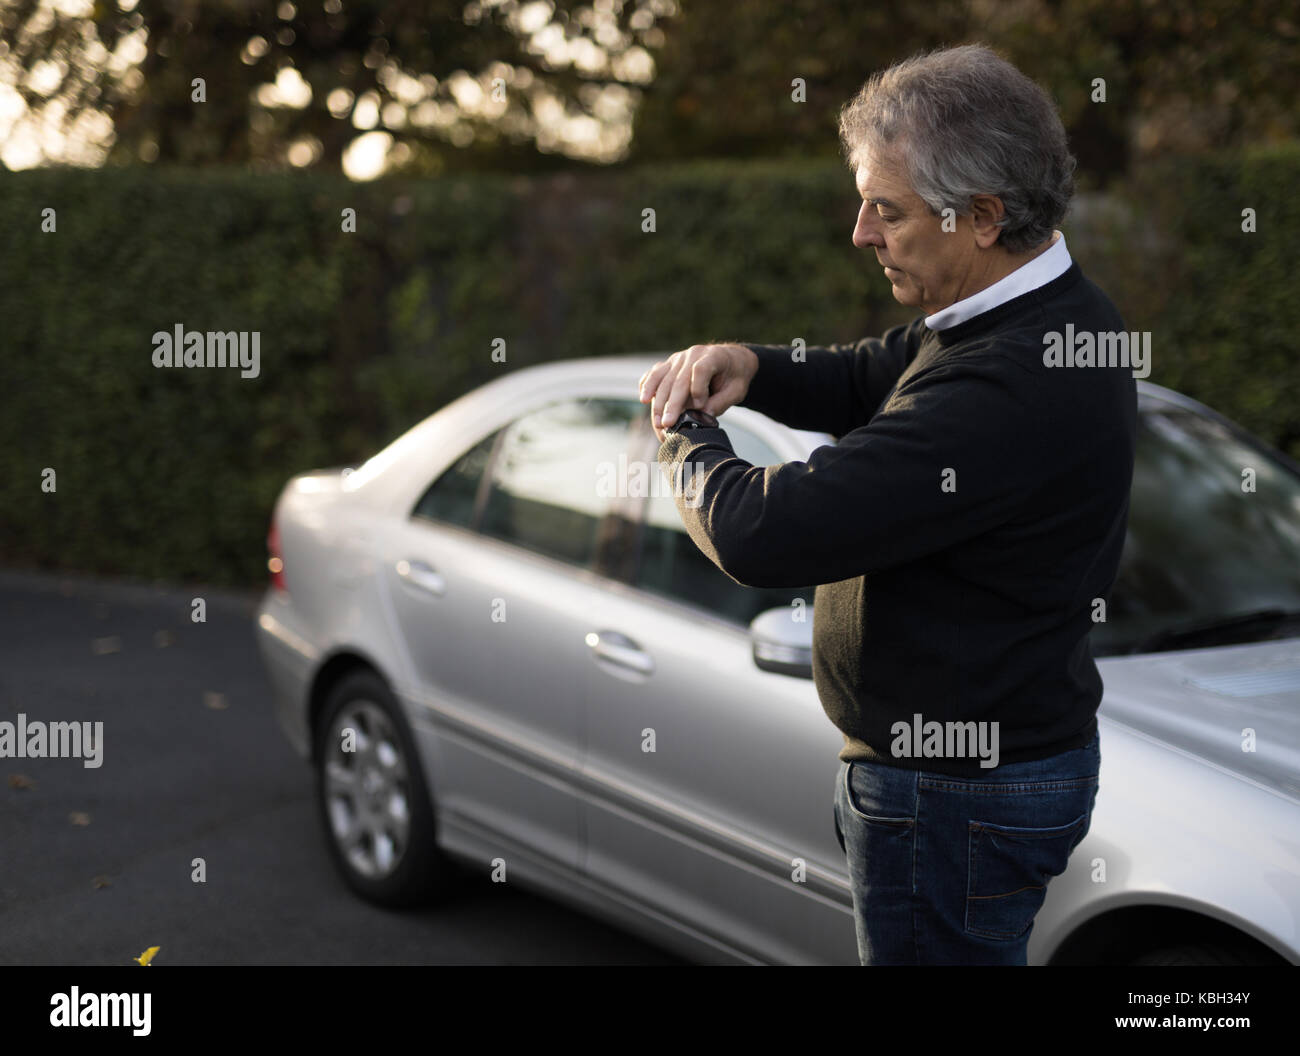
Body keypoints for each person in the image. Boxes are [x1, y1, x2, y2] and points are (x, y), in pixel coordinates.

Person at [637, 43, 1137, 965]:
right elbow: (882, 371)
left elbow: (763, 530)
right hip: (978, 775)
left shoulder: (1009, 384)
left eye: (887, 210)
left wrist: (680, 430)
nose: (861, 233)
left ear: (981, 217)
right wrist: (754, 368)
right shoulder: (1037, 312)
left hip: (953, 796)